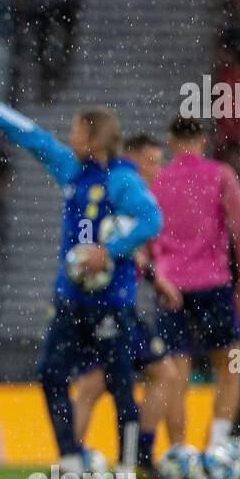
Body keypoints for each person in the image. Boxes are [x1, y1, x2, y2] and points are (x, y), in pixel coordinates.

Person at [0, 68, 162, 477]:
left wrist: (107, 252)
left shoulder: (122, 180)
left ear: (92, 140)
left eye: (75, 132)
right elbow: (35, 139)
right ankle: (71, 459)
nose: (69, 138)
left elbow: (151, 219)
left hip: (111, 302)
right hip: (72, 299)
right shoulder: (73, 171)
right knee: (51, 374)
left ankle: (125, 469)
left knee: (121, 384)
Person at [71, 135, 183, 456]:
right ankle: (138, 456)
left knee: (94, 384)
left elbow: (123, 250)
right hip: (111, 305)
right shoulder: (122, 193)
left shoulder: (116, 192)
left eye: (159, 162)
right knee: (160, 373)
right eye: (151, 161)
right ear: (131, 159)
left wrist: (152, 278)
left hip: (106, 303)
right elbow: (110, 247)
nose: (157, 169)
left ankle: (71, 459)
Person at [151, 115, 240, 454]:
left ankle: (179, 452)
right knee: (230, 365)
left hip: (171, 290)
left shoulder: (158, 181)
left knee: (176, 375)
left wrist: (156, 273)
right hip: (213, 286)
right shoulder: (220, 175)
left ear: (170, 142)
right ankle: (218, 447)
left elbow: (147, 233)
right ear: (203, 141)